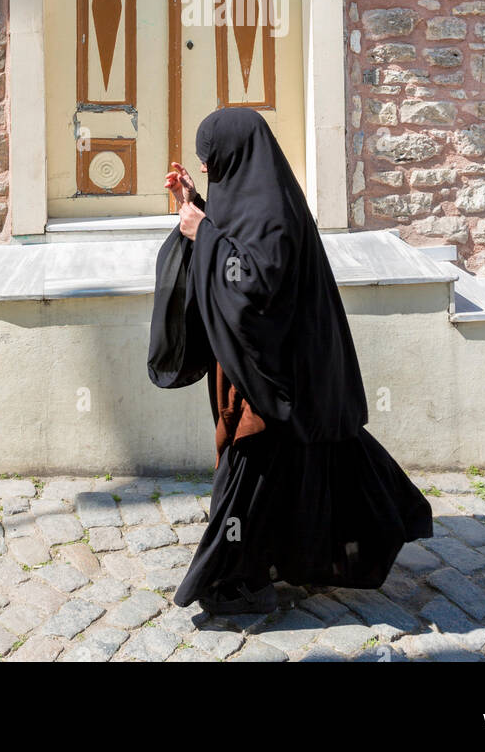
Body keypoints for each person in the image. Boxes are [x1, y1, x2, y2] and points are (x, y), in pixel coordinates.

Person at [147, 107, 433, 616]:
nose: (207, 167)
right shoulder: (259, 199)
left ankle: (234, 581)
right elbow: (238, 253)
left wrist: (202, 233)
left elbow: (255, 285)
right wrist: (198, 210)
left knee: (253, 466)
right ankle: (340, 541)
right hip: (281, 372)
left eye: (211, 158)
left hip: (274, 378)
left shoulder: (272, 212)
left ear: (236, 155)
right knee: (310, 457)